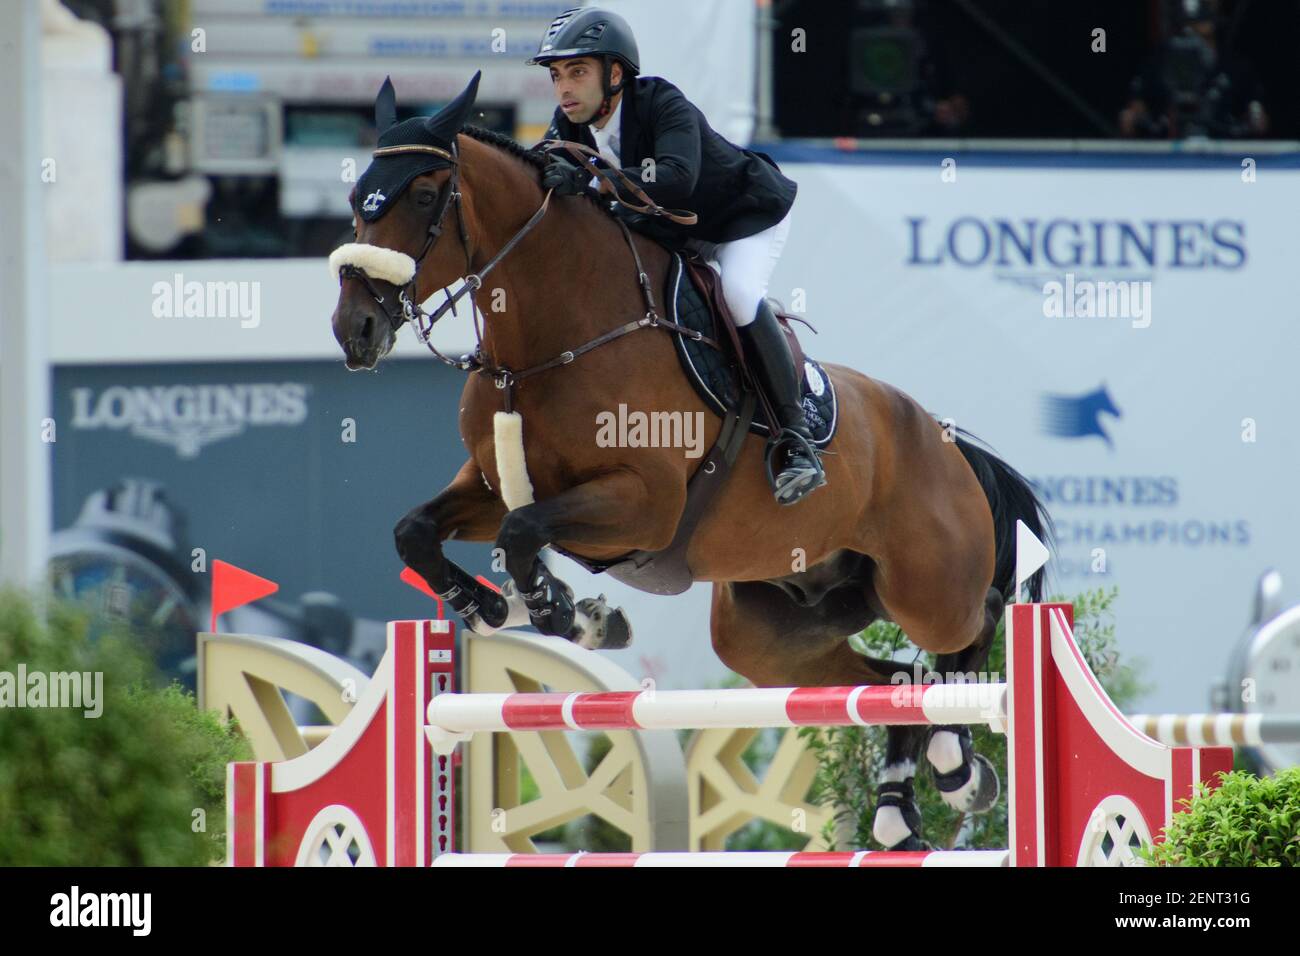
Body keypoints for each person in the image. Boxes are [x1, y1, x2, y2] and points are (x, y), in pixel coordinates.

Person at [527, 6, 826, 506]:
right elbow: (540, 173)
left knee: (737, 293)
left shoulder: (663, 102)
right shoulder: (568, 126)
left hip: (744, 216)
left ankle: (796, 439)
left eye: (577, 72)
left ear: (615, 73)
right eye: (557, 76)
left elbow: (675, 179)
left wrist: (597, 177)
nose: (564, 89)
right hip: (678, 233)